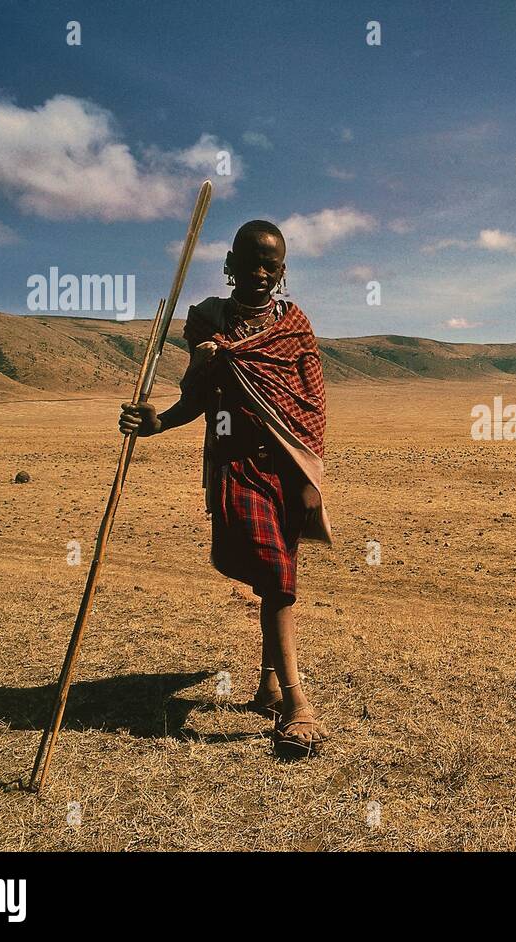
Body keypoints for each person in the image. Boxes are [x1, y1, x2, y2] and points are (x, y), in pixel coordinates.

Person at [119, 219, 331, 757]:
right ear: (230, 263)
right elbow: (195, 399)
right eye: (251, 261)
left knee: (274, 573)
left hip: (283, 468)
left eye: (272, 264)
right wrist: (158, 421)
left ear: (282, 272)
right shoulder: (210, 322)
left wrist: (311, 478)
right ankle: (296, 701)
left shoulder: (294, 327)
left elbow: (310, 409)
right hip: (236, 466)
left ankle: (267, 680)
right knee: (276, 575)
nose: (260, 273)